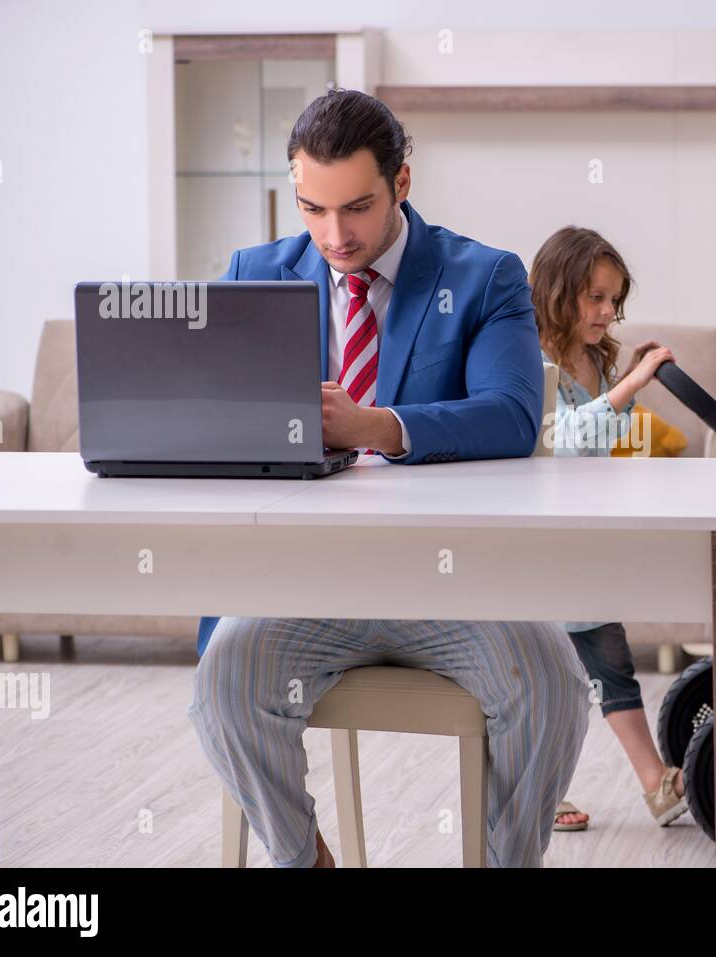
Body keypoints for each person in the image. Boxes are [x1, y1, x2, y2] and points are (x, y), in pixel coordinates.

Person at [186, 89, 590, 868]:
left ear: (402, 184)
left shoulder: (484, 278)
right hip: (303, 584)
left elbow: (509, 415)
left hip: (450, 582)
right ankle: (305, 859)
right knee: (223, 688)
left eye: (358, 208)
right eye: (313, 208)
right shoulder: (255, 274)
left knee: (553, 688)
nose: (335, 235)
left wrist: (374, 425)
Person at [529, 226, 686, 830]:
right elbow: (563, 443)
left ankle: (654, 783)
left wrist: (624, 377)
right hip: (541, 542)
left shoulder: (596, 357)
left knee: (603, 661)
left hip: (583, 536)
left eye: (612, 300)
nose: (604, 312)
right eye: (593, 297)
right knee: (554, 680)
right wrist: (631, 386)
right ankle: (544, 790)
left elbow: (607, 444)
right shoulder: (534, 357)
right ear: (557, 289)